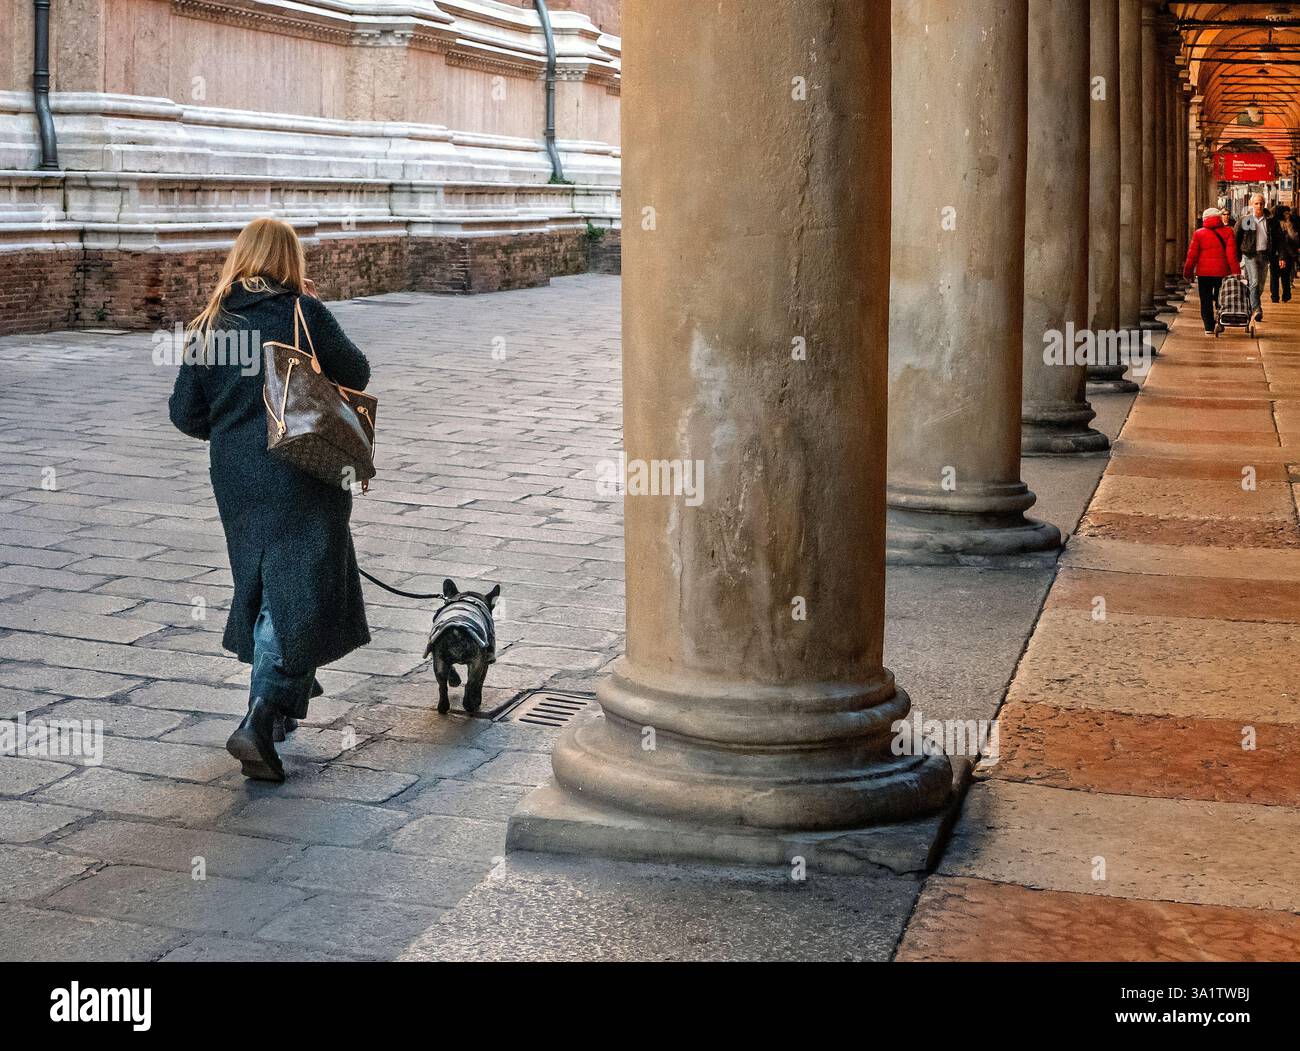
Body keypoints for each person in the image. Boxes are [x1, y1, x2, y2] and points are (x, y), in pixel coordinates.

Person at [169, 218, 372, 782]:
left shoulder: (211, 324)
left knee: (266, 585)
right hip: (303, 466)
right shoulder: (302, 313)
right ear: (289, 260)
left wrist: (235, 426)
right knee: (294, 589)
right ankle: (263, 715)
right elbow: (356, 371)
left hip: (237, 479)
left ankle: (280, 703)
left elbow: (186, 414)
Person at [1184, 205, 1241, 335]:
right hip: (1222, 272)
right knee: (1221, 297)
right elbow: (1232, 255)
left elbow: (1192, 255)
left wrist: (1187, 272)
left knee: (1206, 300)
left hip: (1204, 274)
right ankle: (1220, 320)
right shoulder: (1228, 232)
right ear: (1218, 218)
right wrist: (1236, 273)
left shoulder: (1199, 233)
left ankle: (1208, 327)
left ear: (1205, 219)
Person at [1235, 193, 1271, 321]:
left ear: (1264, 204)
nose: (1259, 206)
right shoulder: (1247, 220)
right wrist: (1237, 257)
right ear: (1251, 204)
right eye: (1256, 203)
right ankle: (1257, 309)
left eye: (1261, 203)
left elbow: (1278, 239)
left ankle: (1250, 305)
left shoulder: (1269, 220)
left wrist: (1281, 256)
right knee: (1254, 281)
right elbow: (1237, 238)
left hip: (1264, 255)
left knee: (1260, 285)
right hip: (1250, 255)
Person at [1269, 204, 1295, 304]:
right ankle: (1279, 296)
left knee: (1282, 276)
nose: (1288, 215)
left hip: (1284, 254)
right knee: (1278, 276)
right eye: (1285, 213)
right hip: (1279, 254)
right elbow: (1280, 242)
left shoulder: (1289, 223)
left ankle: (1282, 296)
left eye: (1288, 213)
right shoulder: (1277, 224)